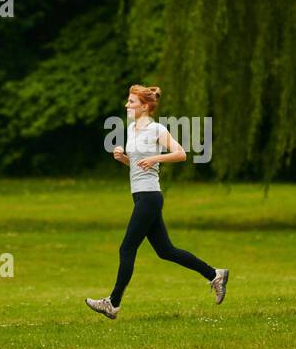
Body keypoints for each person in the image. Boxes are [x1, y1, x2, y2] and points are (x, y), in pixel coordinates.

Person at [86, 84, 228, 319]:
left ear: (144, 106)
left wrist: (155, 158)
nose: (126, 105)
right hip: (141, 196)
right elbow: (138, 165)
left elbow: (181, 153)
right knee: (165, 251)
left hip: (150, 197)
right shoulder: (132, 129)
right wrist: (123, 158)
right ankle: (215, 274)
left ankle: (113, 303)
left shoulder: (156, 129)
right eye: (128, 101)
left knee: (127, 247)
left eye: (131, 102)